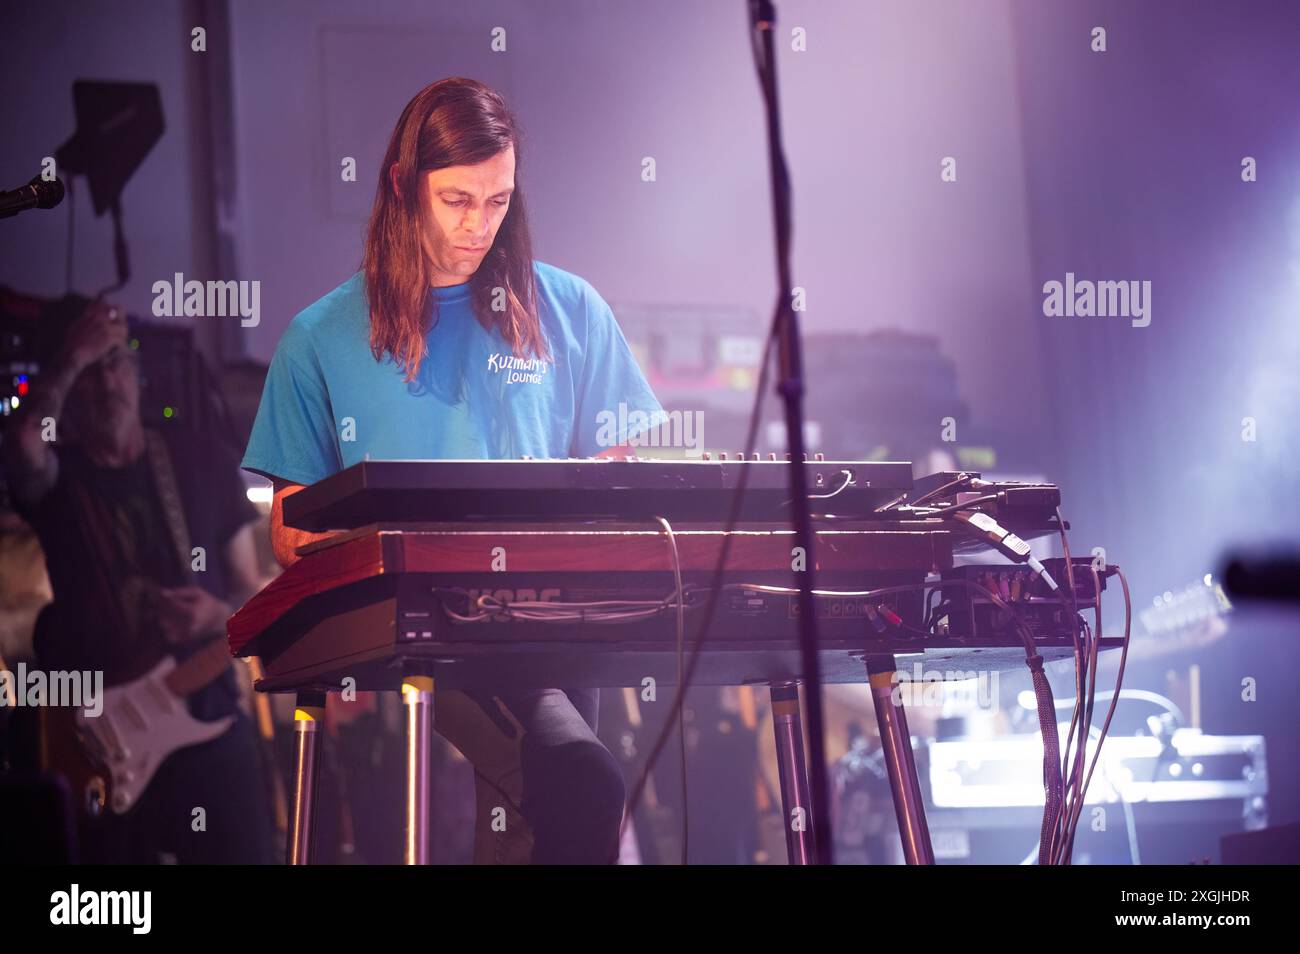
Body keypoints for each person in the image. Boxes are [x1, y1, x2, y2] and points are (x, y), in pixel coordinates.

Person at [242, 76, 664, 864]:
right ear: (405, 187)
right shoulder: (320, 336)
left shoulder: (569, 308)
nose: (480, 226)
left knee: (535, 816)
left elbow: (619, 473)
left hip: (562, 612)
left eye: (499, 200)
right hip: (431, 612)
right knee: (580, 785)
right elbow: (293, 534)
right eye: (458, 200)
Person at [2, 297, 274, 864]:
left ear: (134, 371)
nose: (107, 384)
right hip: (99, 737)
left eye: (114, 363)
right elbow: (25, 443)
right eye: (87, 370)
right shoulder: (61, 479)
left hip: (206, 722)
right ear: (66, 385)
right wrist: (72, 354)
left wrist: (215, 615)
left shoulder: (197, 456)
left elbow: (255, 591)